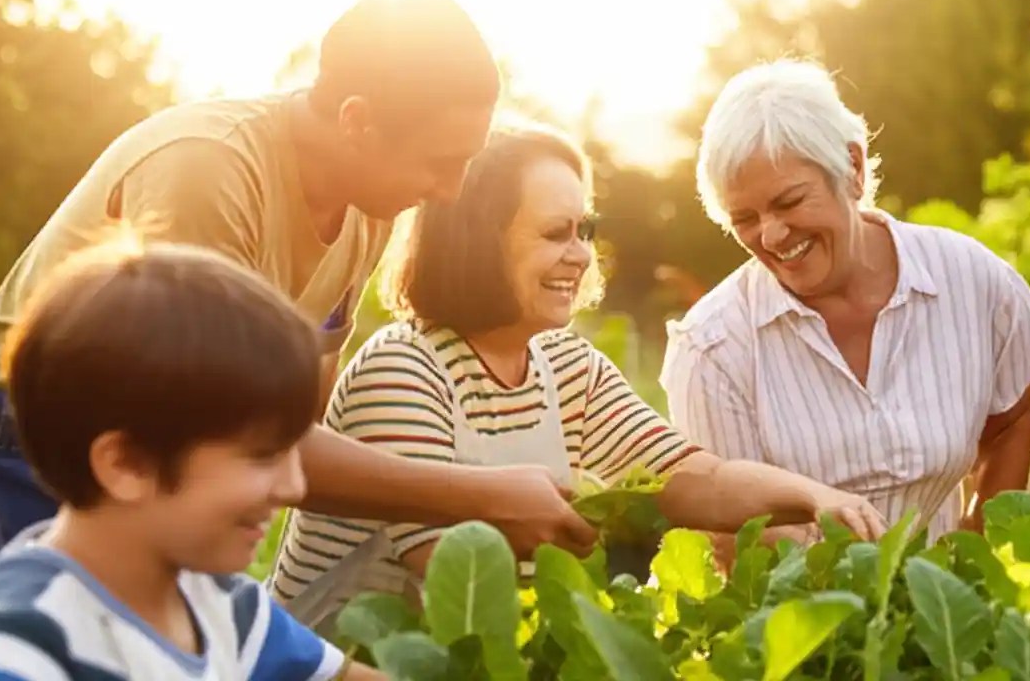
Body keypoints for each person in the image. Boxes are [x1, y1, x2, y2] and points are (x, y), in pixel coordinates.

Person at [0, 0, 596, 570]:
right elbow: (215, 420)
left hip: (154, 465)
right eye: (441, 162)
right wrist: (479, 495)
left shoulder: (368, 204)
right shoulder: (208, 171)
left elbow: (294, 410)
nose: (451, 191)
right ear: (357, 120)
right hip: (23, 446)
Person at [267, 120, 889, 625]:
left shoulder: (567, 367)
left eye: (584, 231)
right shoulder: (404, 370)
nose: (581, 254)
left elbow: (698, 479)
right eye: (555, 234)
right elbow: (456, 577)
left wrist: (811, 497)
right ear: (479, 241)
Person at [659, 60, 1030, 544]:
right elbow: (734, 540)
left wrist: (973, 563)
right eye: (745, 218)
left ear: (852, 168)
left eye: (789, 202)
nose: (773, 234)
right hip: (793, 610)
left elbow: (1009, 422)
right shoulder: (713, 349)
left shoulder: (974, 281)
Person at [0, 240, 386, 680]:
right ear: (127, 464)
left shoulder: (218, 604)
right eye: (263, 456)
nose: (294, 487)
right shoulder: (11, 653)